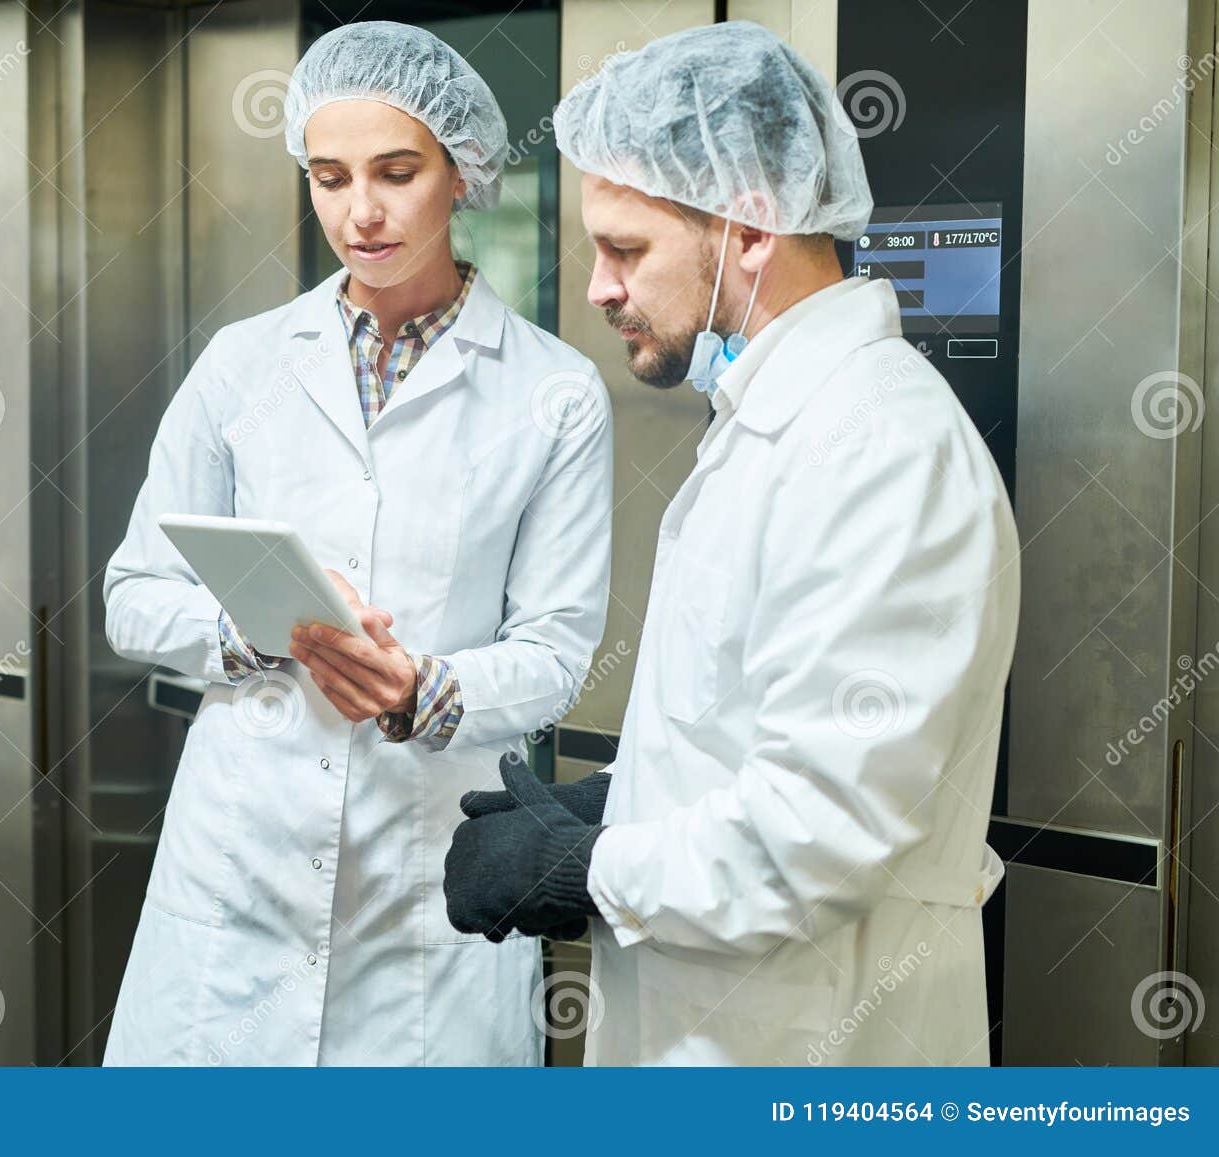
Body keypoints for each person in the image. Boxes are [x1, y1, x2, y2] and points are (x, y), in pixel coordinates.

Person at [443, 21, 1020, 1066]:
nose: (598, 289)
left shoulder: (876, 447)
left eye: (625, 249)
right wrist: (626, 796)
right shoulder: (771, 424)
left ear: (749, 226)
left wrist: (583, 868)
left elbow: (816, 833)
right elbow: (764, 729)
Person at [102, 21, 613, 1066]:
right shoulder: (242, 364)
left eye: (395, 171)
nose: (360, 211)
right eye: (329, 177)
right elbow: (132, 591)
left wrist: (418, 686)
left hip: (426, 876)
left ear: (461, 173)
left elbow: (559, 650)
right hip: (236, 876)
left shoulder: (554, 391)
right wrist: (259, 630)